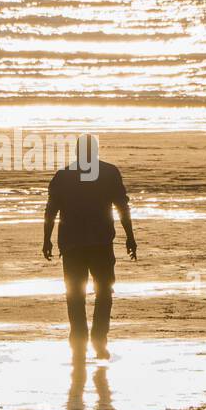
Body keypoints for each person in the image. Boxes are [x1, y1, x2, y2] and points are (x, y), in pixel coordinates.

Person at [42, 135, 136, 365]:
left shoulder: (64, 176)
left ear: (76, 152)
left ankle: (79, 343)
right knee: (103, 293)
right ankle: (98, 340)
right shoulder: (108, 173)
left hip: (73, 244)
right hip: (100, 242)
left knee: (75, 295)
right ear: (94, 151)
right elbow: (122, 206)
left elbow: (51, 211)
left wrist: (46, 239)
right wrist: (130, 236)